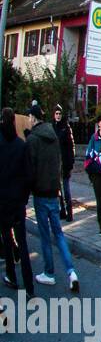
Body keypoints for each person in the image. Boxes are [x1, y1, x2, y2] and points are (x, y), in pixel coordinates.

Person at [26, 104, 78, 293]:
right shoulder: (53, 136)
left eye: (29, 117)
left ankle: (49, 273)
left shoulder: (33, 140)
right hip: (54, 192)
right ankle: (71, 272)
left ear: (33, 118)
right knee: (59, 233)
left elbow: (30, 168)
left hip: (40, 193)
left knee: (45, 235)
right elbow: (58, 162)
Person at [0, 109, 35, 296]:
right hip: (18, 202)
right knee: (22, 243)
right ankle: (29, 287)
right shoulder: (21, 145)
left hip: (2, 202)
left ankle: (12, 277)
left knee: (7, 239)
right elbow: (29, 176)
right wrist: (23, 197)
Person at [52, 104, 75, 221]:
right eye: (56, 113)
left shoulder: (66, 128)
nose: (58, 115)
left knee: (66, 189)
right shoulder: (52, 127)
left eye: (60, 113)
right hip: (55, 163)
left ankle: (69, 212)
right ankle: (62, 211)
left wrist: (71, 161)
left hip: (65, 163)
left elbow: (71, 146)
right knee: (58, 189)